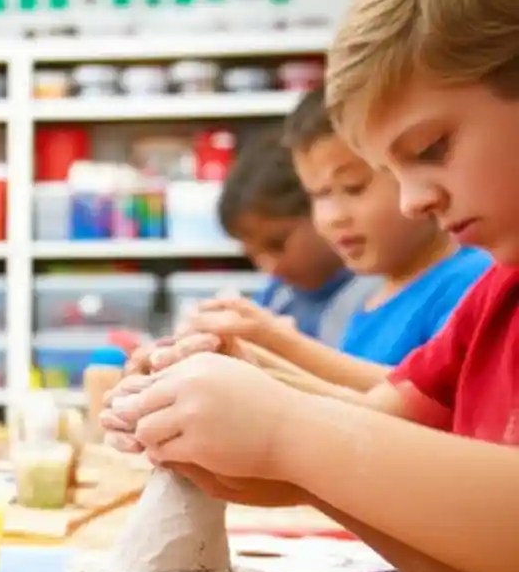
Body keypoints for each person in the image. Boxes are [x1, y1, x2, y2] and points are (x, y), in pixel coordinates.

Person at [101, 0, 519, 572]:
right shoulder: (498, 292)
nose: (415, 200)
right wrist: (238, 414)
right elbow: (377, 435)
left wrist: (283, 433)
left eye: (430, 149)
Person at [186, 89, 491, 392]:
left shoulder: (471, 282)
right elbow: (358, 408)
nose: (333, 217)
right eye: (318, 195)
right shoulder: (370, 298)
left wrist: (277, 342)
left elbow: (436, 403)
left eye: (353, 188)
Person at [216, 129, 375, 349]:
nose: (269, 267)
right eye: (252, 255)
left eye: (277, 244)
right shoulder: (279, 295)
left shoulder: (372, 296)